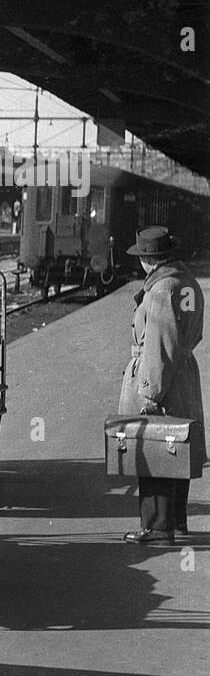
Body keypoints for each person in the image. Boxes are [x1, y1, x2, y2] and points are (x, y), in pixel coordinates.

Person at [117, 226, 203, 544]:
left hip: (162, 374)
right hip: (183, 374)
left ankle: (156, 527)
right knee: (176, 446)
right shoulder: (187, 282)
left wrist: (150, 392)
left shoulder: (161, 290)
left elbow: (158, 345)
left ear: (147, 261)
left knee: (153, 447)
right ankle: (176, 520)